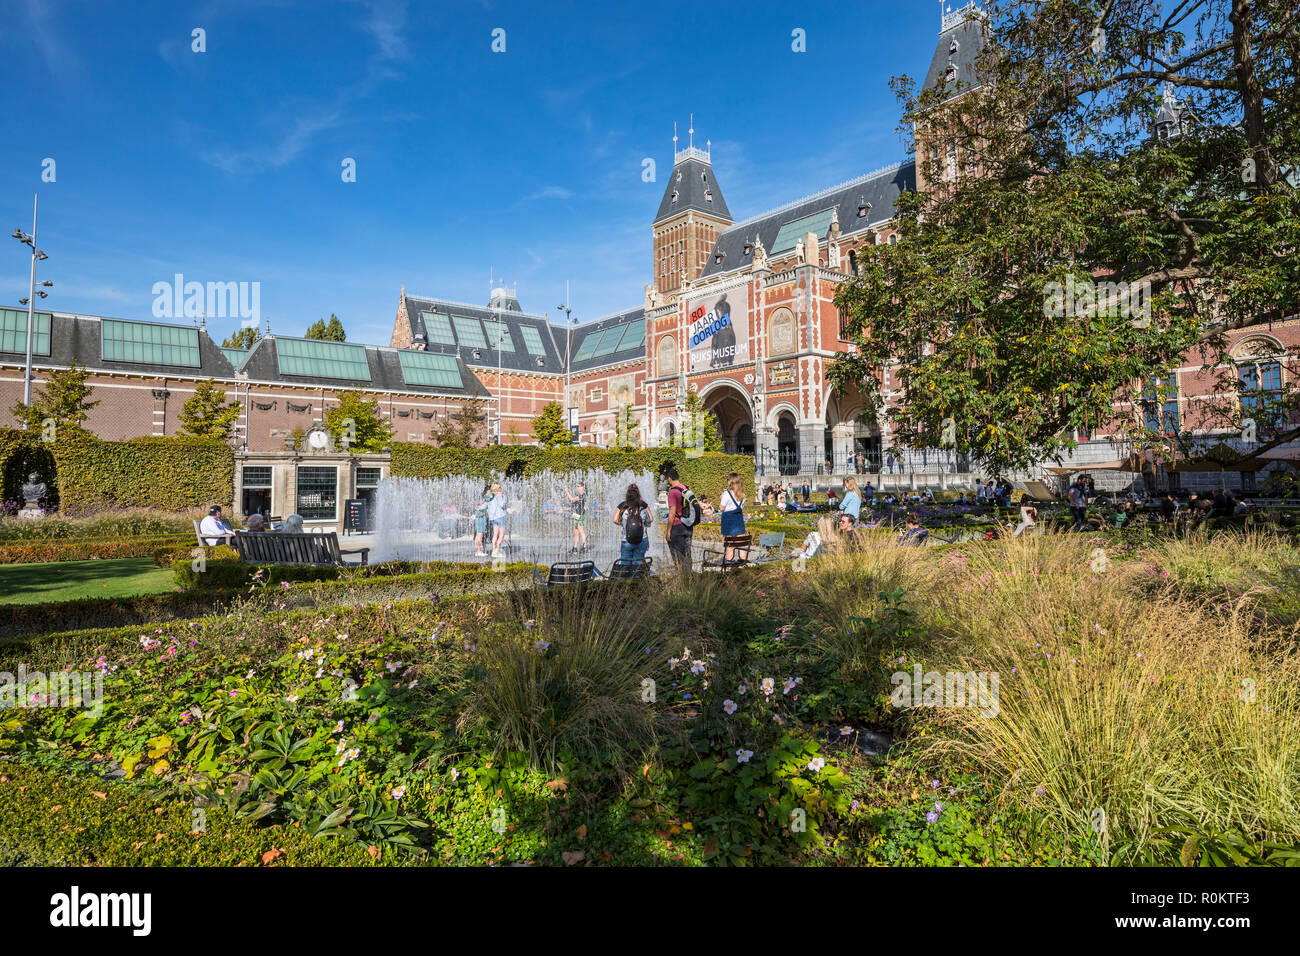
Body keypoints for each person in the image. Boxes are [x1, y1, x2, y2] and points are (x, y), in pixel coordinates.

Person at [613, 483, 653, 565]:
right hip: (642, 539)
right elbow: (651, 519)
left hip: (626, 539)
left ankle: (626, 576)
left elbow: (615, 520)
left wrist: (623, 524)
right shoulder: (643, 506)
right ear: (638, 494)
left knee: (625, 563)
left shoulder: (623, 505)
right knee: (638, 563)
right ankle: (638, 576)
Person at [663, 465, 694, 573]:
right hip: (689, 525)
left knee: (677, 556)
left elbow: (672, 513)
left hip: (677, 526)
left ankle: (681, 579)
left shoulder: (673, 492)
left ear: (669, 478)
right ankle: (689, 577)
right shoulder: (687, 488)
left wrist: (668, 532)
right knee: (687, 553)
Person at [719, 472, 746, 563]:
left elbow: (721, 508)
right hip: (739, 521)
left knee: (729, 545)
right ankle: (742, 564)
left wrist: (721, 498)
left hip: (728, 522)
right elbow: (740, 508)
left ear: (730, 482)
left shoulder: (726, 494)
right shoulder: (743, 495)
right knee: (741, 543)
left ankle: (728, 566)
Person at [565, 482, 589, 553]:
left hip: (580, 515)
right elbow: (572, 501)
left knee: (581, 531)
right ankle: (575, 547)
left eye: (579, 486)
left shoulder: (582, 495)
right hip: (575, 515)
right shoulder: (580, 495)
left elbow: (571, 499)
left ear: (583, 487)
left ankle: (584, 547)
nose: (577, 488)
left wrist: (567, 491)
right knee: (575, 532)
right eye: (577, 486)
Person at [486, 481, 507, 556]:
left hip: (493, 518)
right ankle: (497, 550)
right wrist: (503, 497)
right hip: (500, 516)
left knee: (495, 534)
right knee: (501, 534)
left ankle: (493, 549)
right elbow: (502, 504)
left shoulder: (490, 495)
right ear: (497, 488)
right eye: (500, 487)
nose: (501, 488)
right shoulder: (499, 495)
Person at [473, 486, 491, 556]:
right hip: (481, 517)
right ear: (488, 492)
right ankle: (479, 551)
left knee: (478, 534)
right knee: (480, 535)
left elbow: (477, 505)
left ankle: (478, 551)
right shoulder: (487, 498)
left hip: (478, 517)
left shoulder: (483, 498)